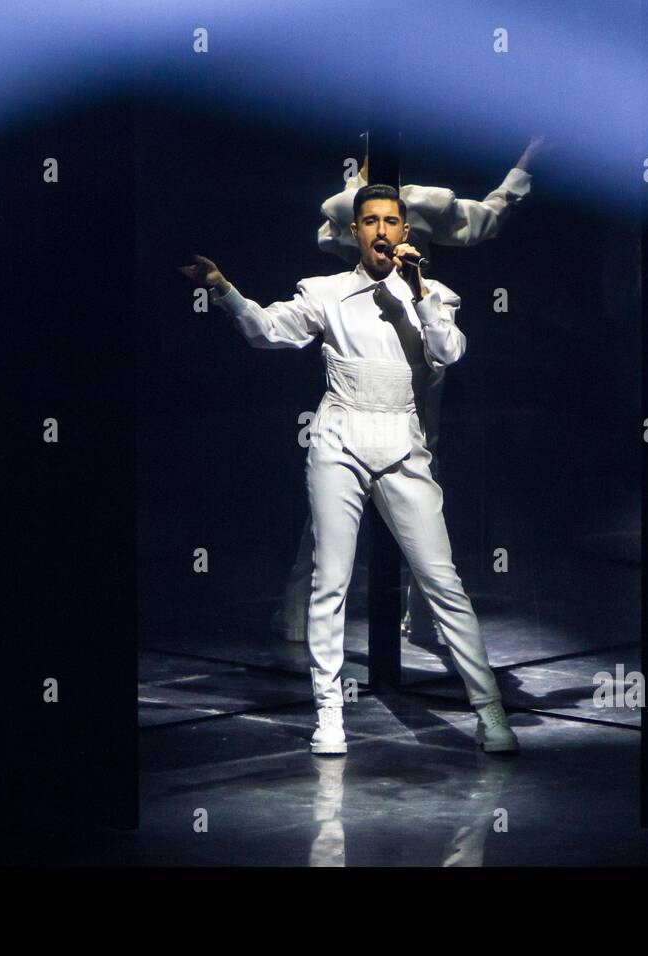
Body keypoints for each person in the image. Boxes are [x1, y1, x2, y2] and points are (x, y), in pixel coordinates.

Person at [178, 184, 519, 755]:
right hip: (337, 437)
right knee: (330, 582)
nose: (381, 231)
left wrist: (418, 292)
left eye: (391, 221)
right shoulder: (326, 292)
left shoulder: (435, 295)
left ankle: (489, 711)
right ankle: (330, 714)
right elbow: (267, 330)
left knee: (443, 582)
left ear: (406, 232)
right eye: (370, 221)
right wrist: (223, 290)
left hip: (402, 441)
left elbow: (450, 351)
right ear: (355, 231)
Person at [275, 137, 546, 649]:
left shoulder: (418, 203)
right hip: (361, 336)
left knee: (422, 463)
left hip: (416, 331)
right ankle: (302, 609)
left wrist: (522, 170)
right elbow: (330, 237)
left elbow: (485, 218)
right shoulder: (347, 207)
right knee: (342, 468)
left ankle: (420, 617)